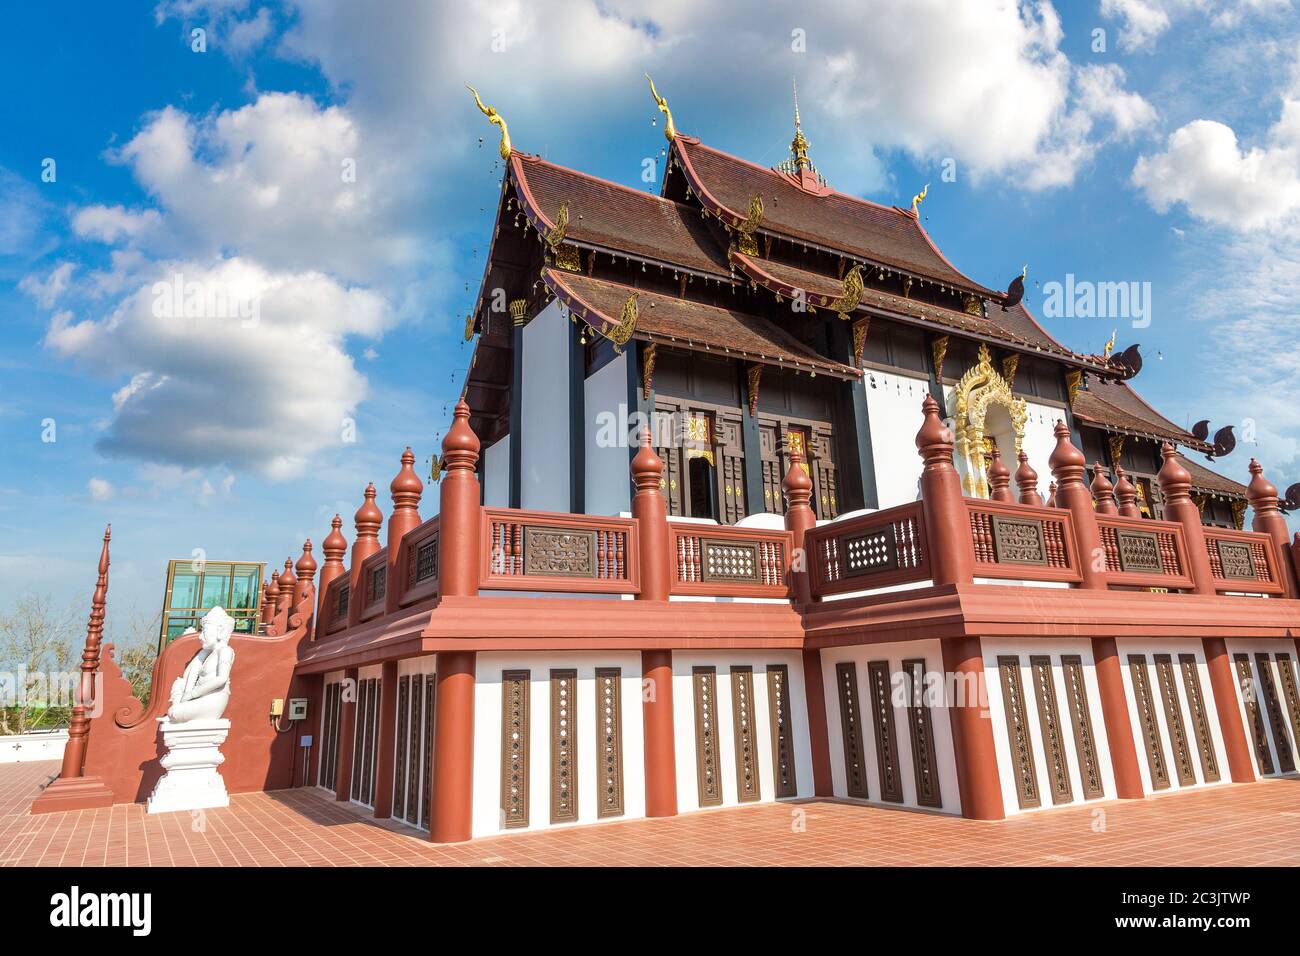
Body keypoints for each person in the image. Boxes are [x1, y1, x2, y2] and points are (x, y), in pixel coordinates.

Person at [164, 606, 236, 723]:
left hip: (214, 700)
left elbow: (222, 679)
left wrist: (192, 694)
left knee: (174, 712)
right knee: (179, 683)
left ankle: (176, 711)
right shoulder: (209, 654)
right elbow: (187, 676)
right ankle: (178, 709)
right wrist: (203, 652)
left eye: (204, 631)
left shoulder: (225, 651)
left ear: (220, 631)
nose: (200, 636)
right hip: (200, 697)